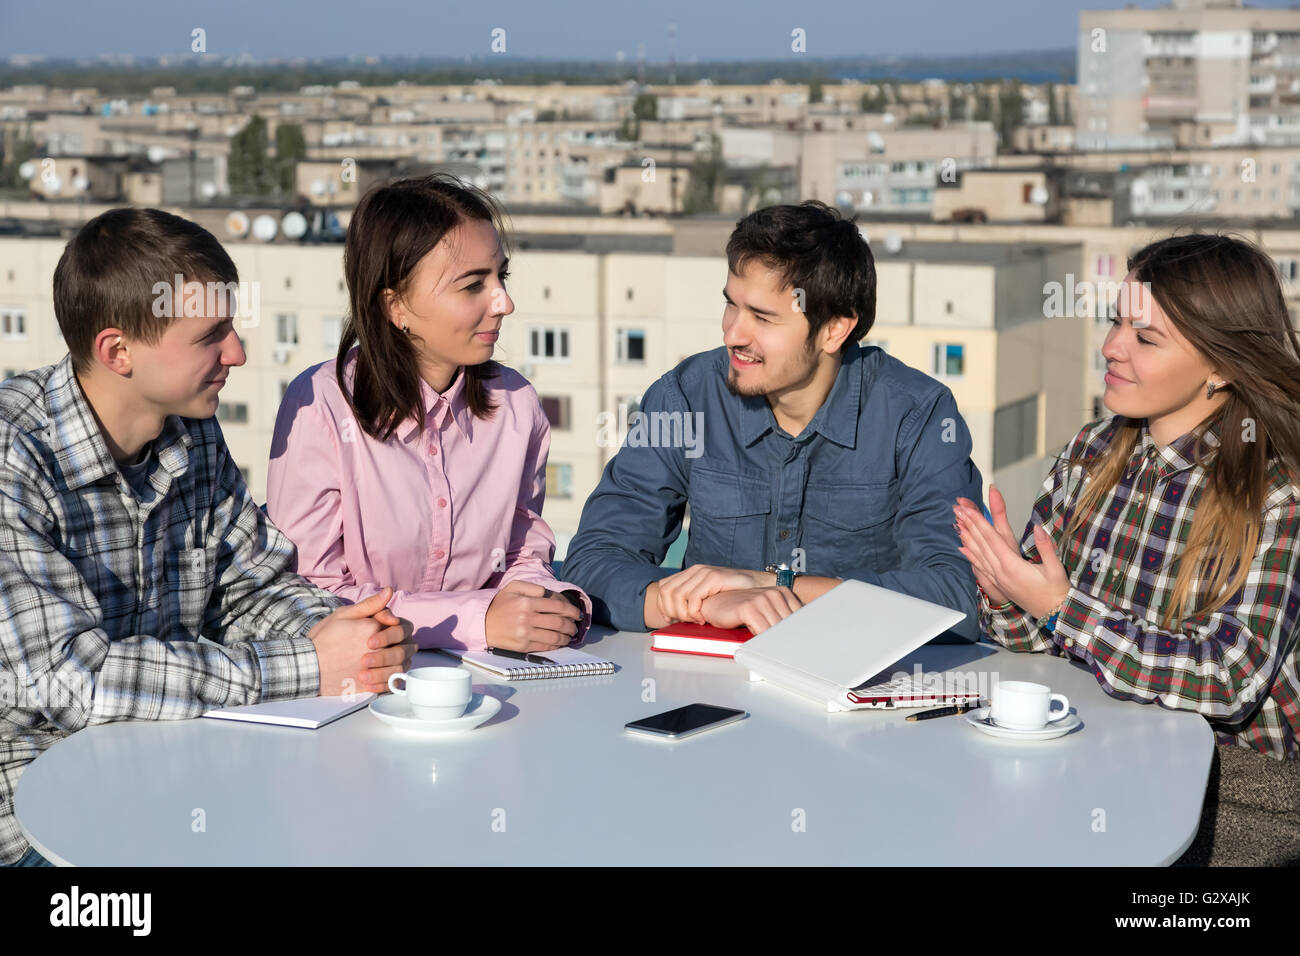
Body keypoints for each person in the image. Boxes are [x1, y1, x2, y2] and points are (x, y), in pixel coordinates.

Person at [0, 208, 415, 867]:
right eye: (210, 337)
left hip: (176, 767)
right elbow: (69, 680)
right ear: (118, 352)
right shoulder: (14, 455)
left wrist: (351, 640)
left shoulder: (191, 429)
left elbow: (251, 584)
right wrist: (308, 664)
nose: (238, 354)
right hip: (38, 814)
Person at [955, 233, 1300, 865]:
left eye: (1145, 338)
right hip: (1090, 752)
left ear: (1221, 365)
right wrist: (1006, 593)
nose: (1111, 348)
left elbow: (1229, 678)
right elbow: (1037, 644)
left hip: (1235, 799)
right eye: (1117, 323)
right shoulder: (1093, 450)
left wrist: (1061, 608)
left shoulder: (1276, 492)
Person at [563, 201, 984, 639]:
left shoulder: (919, 417)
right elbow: (594, 561)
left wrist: (776, 588)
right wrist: (704, 603)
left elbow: (956, 598)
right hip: (708, 684)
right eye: (732, 306)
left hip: (858, 693)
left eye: (762, 318)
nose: (733, 334)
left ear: (834, 330)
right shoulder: (685, 397)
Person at [267, 174, 589, 653]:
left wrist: (547, 603)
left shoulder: (517, 405)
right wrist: (475, 621)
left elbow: (523, 552)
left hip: (493, 683)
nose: (504, 302)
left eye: (502, 277)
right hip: (362, 692)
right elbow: (309, 597)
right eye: (472, 285)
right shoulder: (320, 406)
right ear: (396, 305)